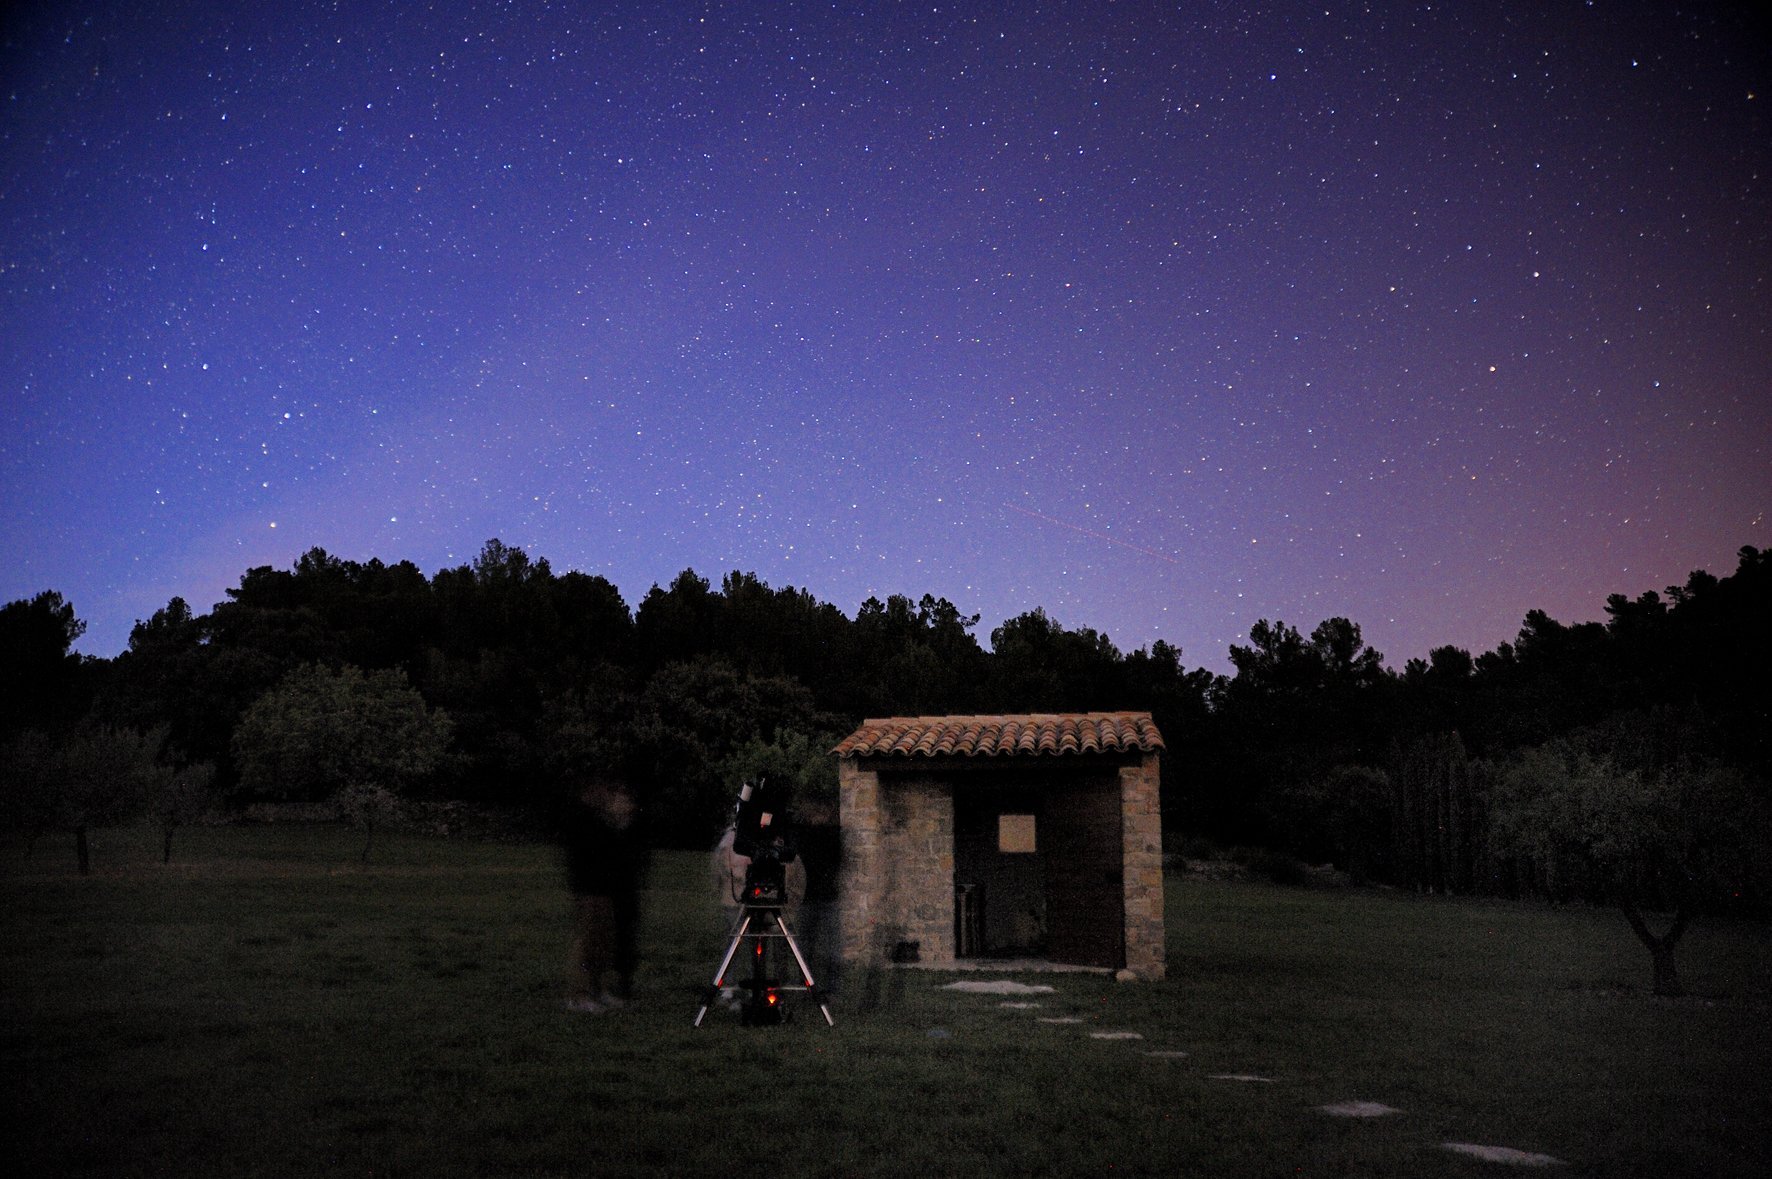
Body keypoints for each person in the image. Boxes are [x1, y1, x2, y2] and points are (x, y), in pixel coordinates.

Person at [562, 776, 646, 1013]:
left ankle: (598, 990)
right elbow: (585, 855)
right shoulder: (580, 817)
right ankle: (578, 995)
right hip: (589, 888)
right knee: (587, 942)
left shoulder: (598, 818)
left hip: (605, 888)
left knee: (603, 943)